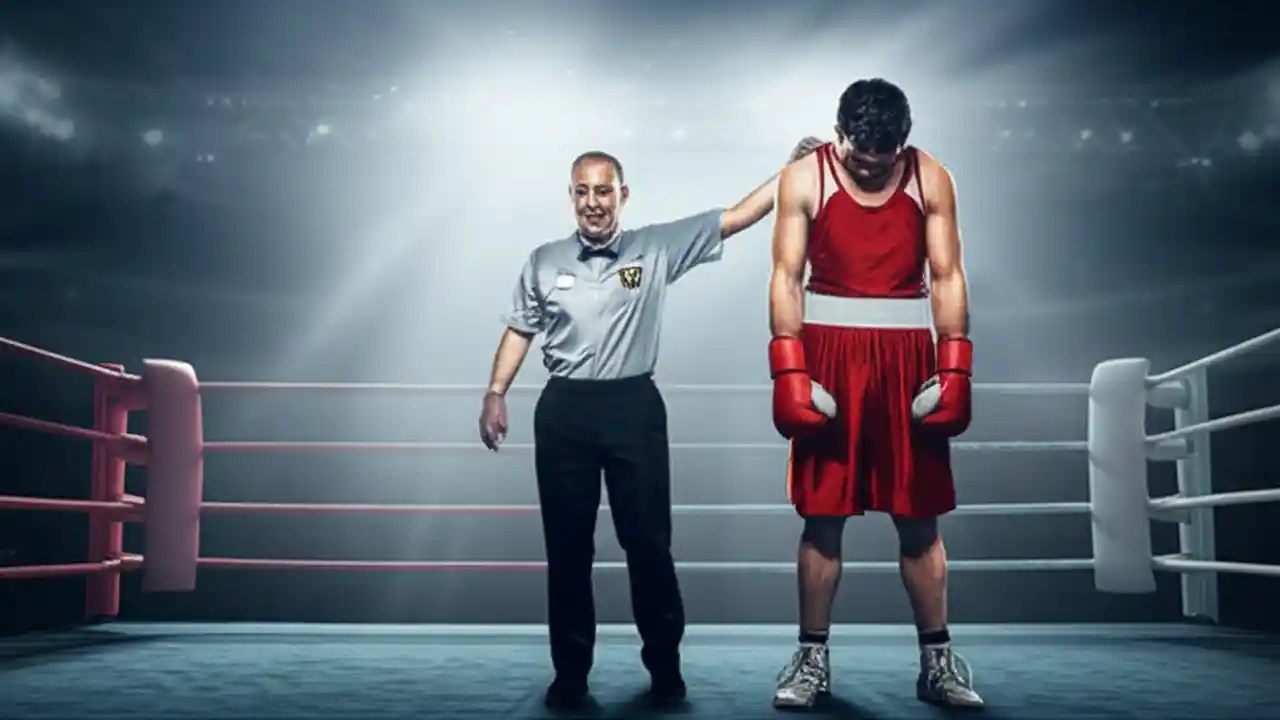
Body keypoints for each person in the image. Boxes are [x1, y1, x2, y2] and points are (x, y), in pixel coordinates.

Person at [479, 139, 822, 710]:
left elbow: (736, 217)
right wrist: (495, 392)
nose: (594, 202)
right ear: (571, 197)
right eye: (583, 192)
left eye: (604, 190)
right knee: (567, 552)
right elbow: (520, 329)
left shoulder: (657, 246)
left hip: (633, 408)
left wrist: (793, 170)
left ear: (623, 194)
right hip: (564, 410)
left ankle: (665, 667)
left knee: (649, 546)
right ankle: (570, 674)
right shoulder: (542, 259)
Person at [766, 78, 983, 709]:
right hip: (828, 354)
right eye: (857, 157)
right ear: (839, 136)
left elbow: (946, 275)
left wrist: (956, 365)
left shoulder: (930, 177)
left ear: (901, 146)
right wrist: (789, 366)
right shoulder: (806, 176)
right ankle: (811, 661)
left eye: (879, 161)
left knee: (919, 519)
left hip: (906, 359)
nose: (867, 169)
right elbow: (785, 274)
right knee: (822, 516)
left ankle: (938, 663)